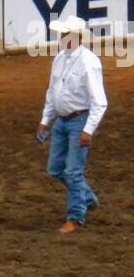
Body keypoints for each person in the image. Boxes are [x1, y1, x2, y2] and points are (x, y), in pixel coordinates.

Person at [36, 15, 108, 234]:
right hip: (63, 119)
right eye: (62, 34)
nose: (62, 37)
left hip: (79, 121)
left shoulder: (89, 62)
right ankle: (86, 197)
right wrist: (45, 121)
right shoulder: (59, 59)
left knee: (73, 171)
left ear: (76, 36)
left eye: (66, 33)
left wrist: (88, 129)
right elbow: (52, 92)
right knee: (55, 169)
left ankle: (76, 217)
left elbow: (100, 101)